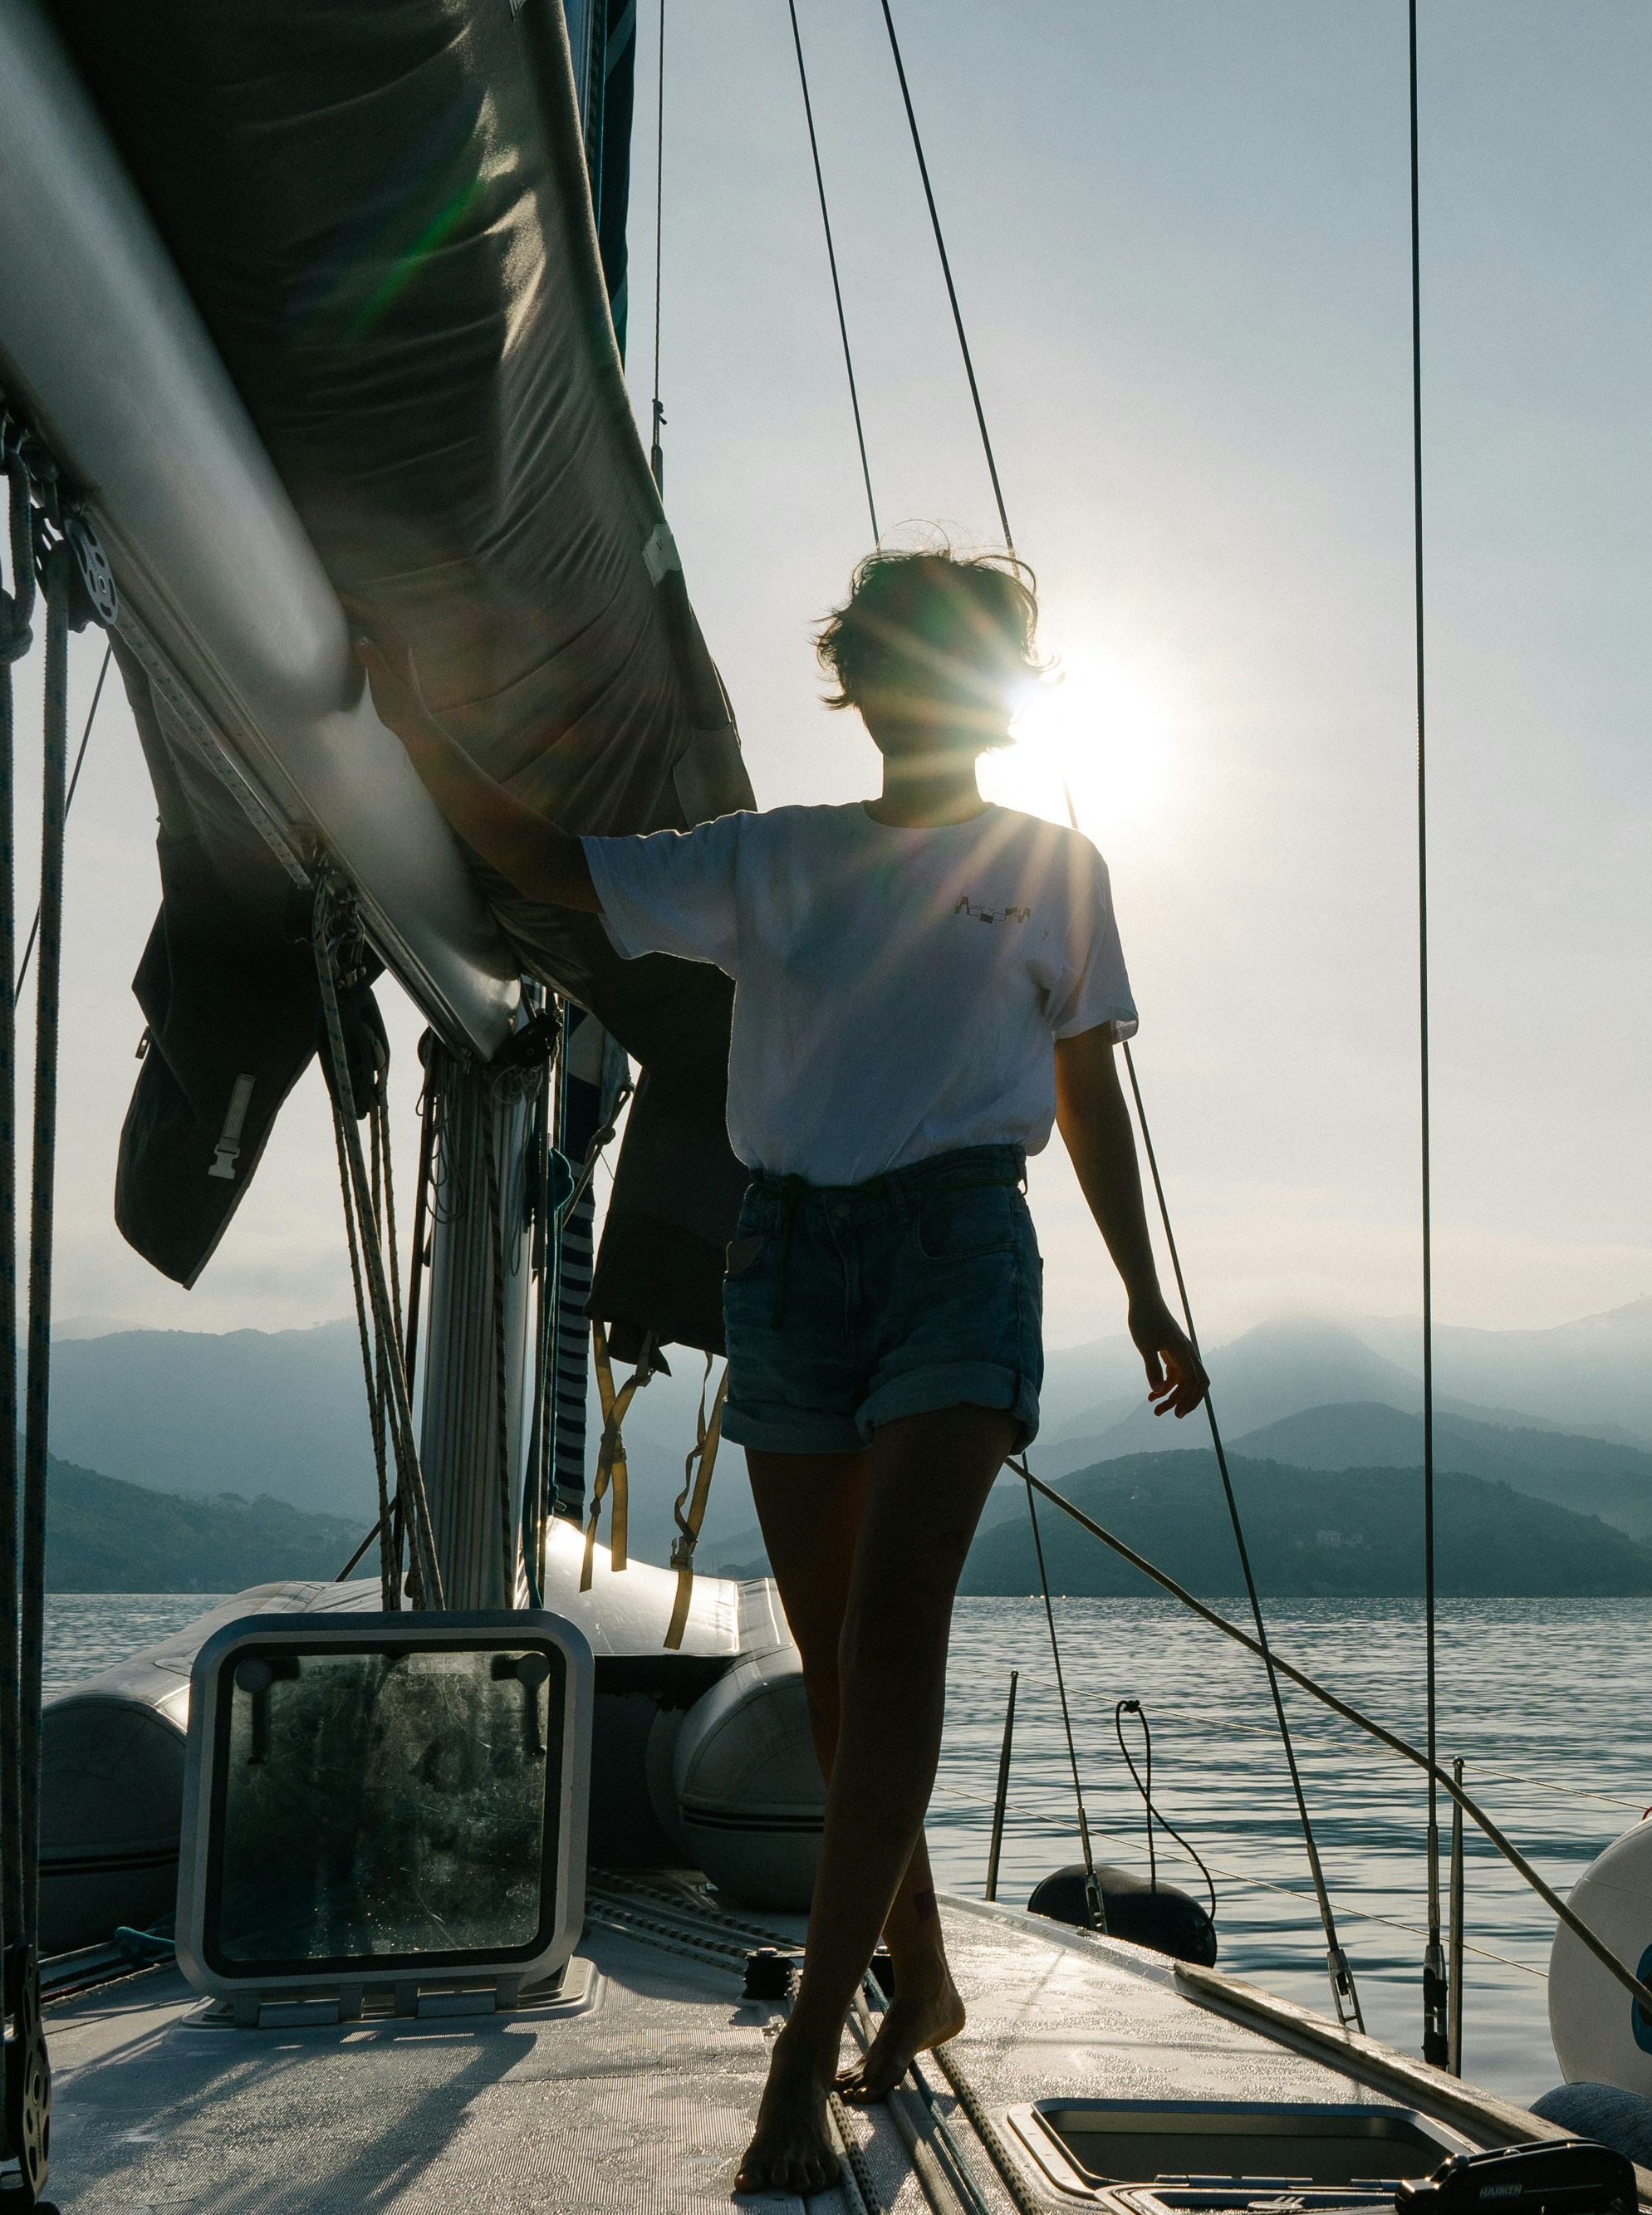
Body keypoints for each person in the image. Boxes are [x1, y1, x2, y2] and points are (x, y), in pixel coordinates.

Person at [360, 546, 1208, 2196]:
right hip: (790, 1261)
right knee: (830, 1672)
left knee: (889, 1641)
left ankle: (806, 2050)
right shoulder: (775, 858)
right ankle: (926, 1976)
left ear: (1003, 696)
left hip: (960, 1247)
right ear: (857, 682)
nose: (921, 685)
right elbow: (551, 861)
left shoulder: (1055, 868)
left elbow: (1084, 1085)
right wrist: (402, 715)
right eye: (894, 656)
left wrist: (1140, 1288)